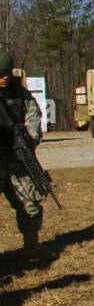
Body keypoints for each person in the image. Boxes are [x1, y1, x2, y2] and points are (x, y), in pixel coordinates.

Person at [0, 50, 49, 258]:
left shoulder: (20, 94)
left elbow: (34, 116)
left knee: (30, 201)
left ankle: (32, 247)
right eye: (0, 74)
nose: (5, 77)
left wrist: (28, 139)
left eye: (7, 73)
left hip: (17, 157)